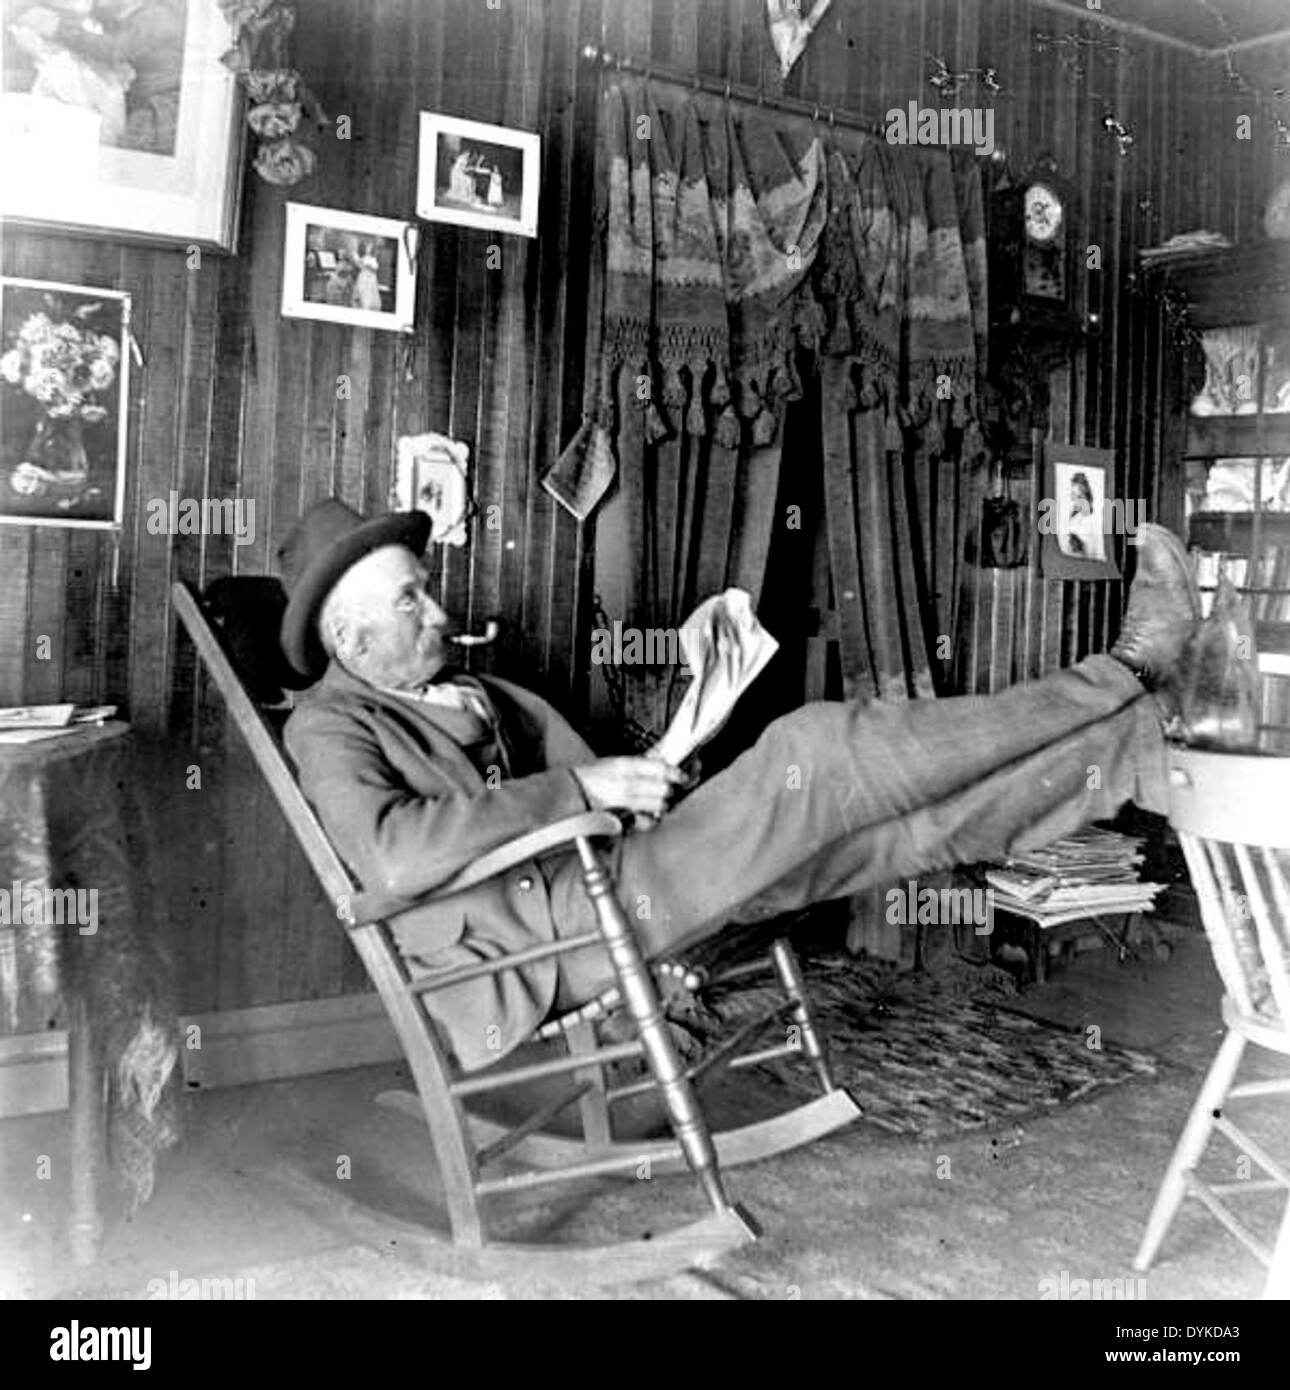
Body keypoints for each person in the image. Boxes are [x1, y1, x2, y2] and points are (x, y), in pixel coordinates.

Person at [278, 500, 1219, 1074]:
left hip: (605, 880)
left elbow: (561, 788)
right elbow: (393, 853)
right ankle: (1129, 667)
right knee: (821, 743)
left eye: (425, 587)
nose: (439, 609)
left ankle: (1146, 738)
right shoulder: (328, 724)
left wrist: (660, 755)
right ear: (352, 642)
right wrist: (583, 791)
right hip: (544, 940)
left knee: (902, 832)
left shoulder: (469, 688)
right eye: (411, 601)